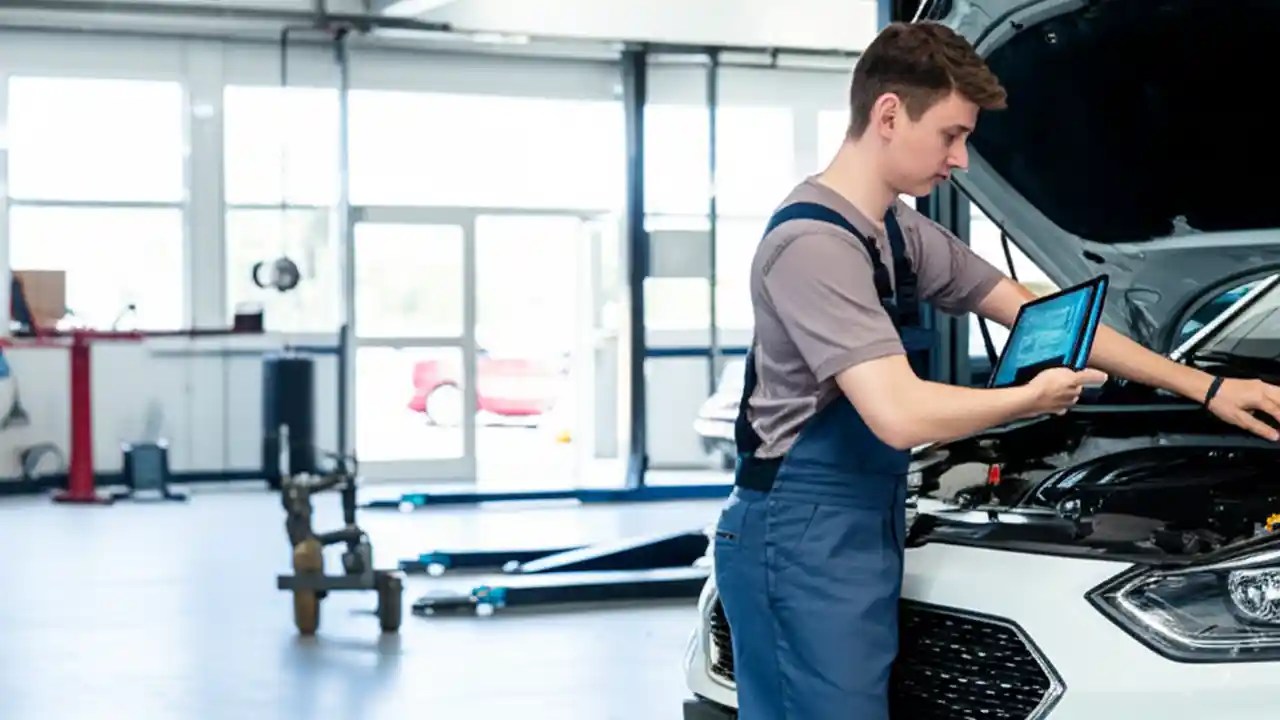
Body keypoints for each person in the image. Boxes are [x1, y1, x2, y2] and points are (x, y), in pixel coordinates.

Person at [713, 19, 1280, 720]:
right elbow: (900, 413)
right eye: (952, 134)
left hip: (861, 520)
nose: (960, 160)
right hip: (797, 529)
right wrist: (1031, 399)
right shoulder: (812, 245)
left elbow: (1046, 318)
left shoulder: (897, 229)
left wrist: (1209, 385)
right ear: (889, 114)